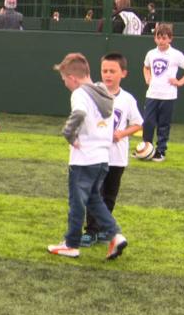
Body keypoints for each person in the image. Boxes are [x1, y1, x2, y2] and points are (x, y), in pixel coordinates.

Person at [47, 52, 127, 260]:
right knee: (94, 200)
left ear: (72, 77)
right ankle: (115, 234)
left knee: (77, 202)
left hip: (83, 158)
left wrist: (68, 134)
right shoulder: (104, 91)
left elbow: (80, 114)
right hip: (102, 157)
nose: (64, 83)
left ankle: (71, 244)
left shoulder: (80, 94)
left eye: (64, 79)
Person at [80, 52, 142, 247]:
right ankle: (90, 231)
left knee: (109, 195)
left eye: (112, 71)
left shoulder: (127, 99)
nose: (107, 75)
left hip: (117, 157)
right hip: (96, 155)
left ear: (123, 73)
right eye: (104, 71)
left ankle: (105, 229)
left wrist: (121, 134)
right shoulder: (92, 94)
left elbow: (138, 124)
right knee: (94, 192)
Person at [141, 23, 184, 162]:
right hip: (152, 94)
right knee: (148, 122)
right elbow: (146, 67)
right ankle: (146, 148)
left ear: (170, 39)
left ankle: (160, 151)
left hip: (168, 96)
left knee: (163, 124)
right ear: (155, 38)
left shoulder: (176, 54)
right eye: (158, 38)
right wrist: (147, 77)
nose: (161, 41)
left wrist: (180, 82)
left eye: (164, 38)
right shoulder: (151, 54)